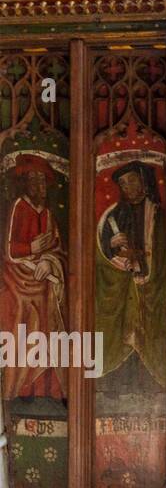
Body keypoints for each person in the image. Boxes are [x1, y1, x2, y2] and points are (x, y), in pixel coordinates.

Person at [95, 160, 166, 387]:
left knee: (154, 334)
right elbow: (103, 255)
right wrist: (111, 244)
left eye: (132, 181)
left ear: (144, 180)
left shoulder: (160, 215)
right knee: (121, 333)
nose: (127, 187)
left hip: (154, 287)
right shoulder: (115, 215)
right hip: (125, 288)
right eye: (123, 184)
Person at [1, 156, 67, 400]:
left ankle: (46, 389)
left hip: (42, 276)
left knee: (52, 308)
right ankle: (19, 387)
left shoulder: (48, 213)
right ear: (25, 184)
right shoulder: (19, 206)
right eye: (34, 181)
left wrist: (49, 261)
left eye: (42, 182)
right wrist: (31, 248)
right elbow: (8, 250)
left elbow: (57, 248)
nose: (39, 187)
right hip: (17, 276)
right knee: (19, 309)